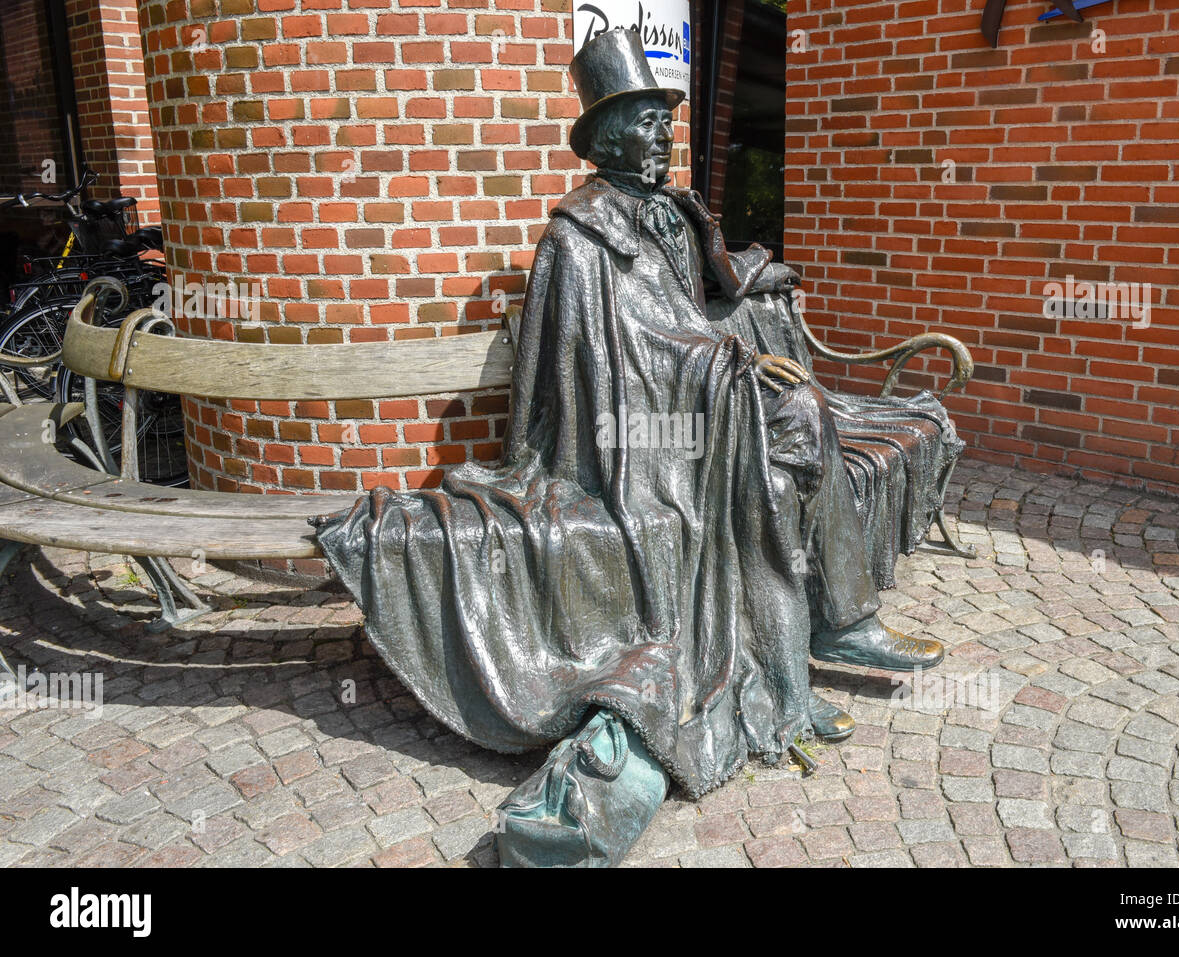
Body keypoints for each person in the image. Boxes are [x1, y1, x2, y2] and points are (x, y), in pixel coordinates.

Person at [313, 28, 945, 801]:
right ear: (609, 133)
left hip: (703, 406)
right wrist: (729, 366)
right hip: (635, 438)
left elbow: (687, 311)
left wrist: (743, 308)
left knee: (784, 468)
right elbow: (604, 370)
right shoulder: (576, 238)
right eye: (648, 121)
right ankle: (797, 667)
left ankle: (818, 647)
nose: (665, 133)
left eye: (666, 120)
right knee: (789, 437)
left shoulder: (674, 216)